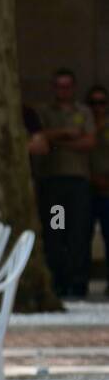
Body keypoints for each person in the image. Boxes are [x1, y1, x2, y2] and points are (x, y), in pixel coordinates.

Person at [33, 68, 96, 297]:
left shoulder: (84, 111)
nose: (64, 90)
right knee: (56, 232)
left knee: (78, 233)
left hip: (78, 184)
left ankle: (78, 282)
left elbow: (89, 142)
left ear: (74, 87)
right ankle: (59, 280)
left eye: (68, 86)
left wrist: (59, 143)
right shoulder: (45, 111)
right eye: (60, 86)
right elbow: (40, 137)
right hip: (54, 184)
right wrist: (67, 133)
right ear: (54, 88)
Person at [85, 84, 109, 289]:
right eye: (93, 103)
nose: (97, 107)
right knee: (79, 234)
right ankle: (78, 281)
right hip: (85, 190)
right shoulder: (82, 124)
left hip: (107, 191)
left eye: (102, 103)